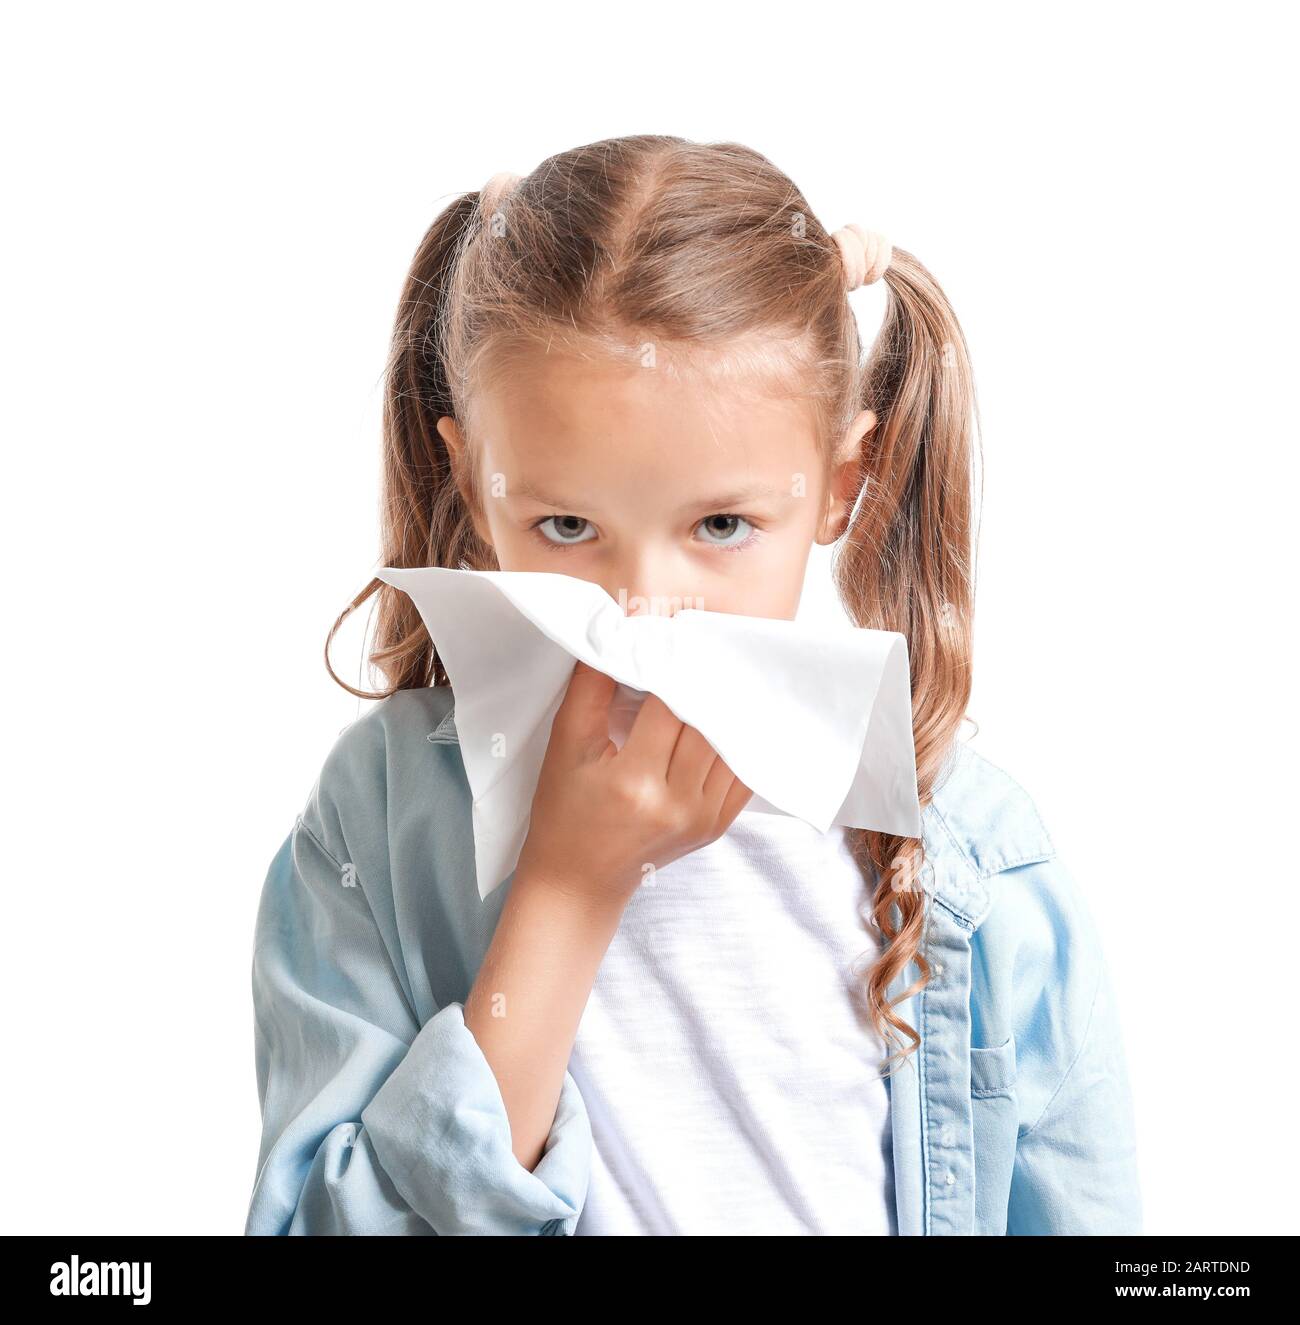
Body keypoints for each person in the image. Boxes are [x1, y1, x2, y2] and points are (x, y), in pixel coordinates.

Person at [244, 135, 1142, 1236]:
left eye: (721, 525)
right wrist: (567, 890)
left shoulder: (975, 848)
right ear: (474, 489)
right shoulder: (376, 817)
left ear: (839, 488)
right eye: (566, 524)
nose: (642, 608)